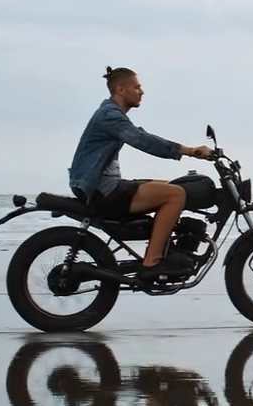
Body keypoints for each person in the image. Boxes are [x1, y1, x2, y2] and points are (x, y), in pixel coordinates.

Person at [69, 67, 214, 277]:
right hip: (100, 189)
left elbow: (140, 134)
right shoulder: (110, 115)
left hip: (102, 185)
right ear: (121, 89)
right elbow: (141, 140)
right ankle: (152, 262)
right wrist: (190, 151)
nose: (142, 92)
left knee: (172, 186)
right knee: (176, 194)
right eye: (137, 87)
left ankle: (170, 248)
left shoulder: (112, 114)